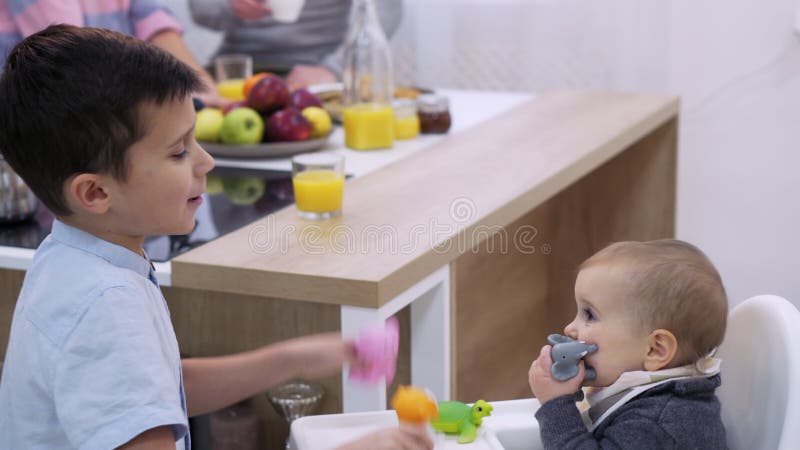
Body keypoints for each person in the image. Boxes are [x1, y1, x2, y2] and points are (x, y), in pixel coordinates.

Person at [0, 25, 430, 450]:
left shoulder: (69, 257)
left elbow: (158, 388)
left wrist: (293, 359)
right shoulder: (107, 307)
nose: (205, 162)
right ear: (95, 192)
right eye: (178, 151)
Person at [528, 239, 728, 449]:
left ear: (655, 349)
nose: (570, 328)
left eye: (589, 314)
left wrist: (556, 405)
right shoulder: (658, 401)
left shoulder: (657, 424)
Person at [0, 0, 224, 106]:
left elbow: (154, 23)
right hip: (49, 126)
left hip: (111, 107)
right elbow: (75, 56)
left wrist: (202, 89)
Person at [189, 0, 402, 90]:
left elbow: (385, 12)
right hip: (238, 70)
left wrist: (331, 69)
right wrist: (229, 6)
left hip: (314, 71)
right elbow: (200, 10)